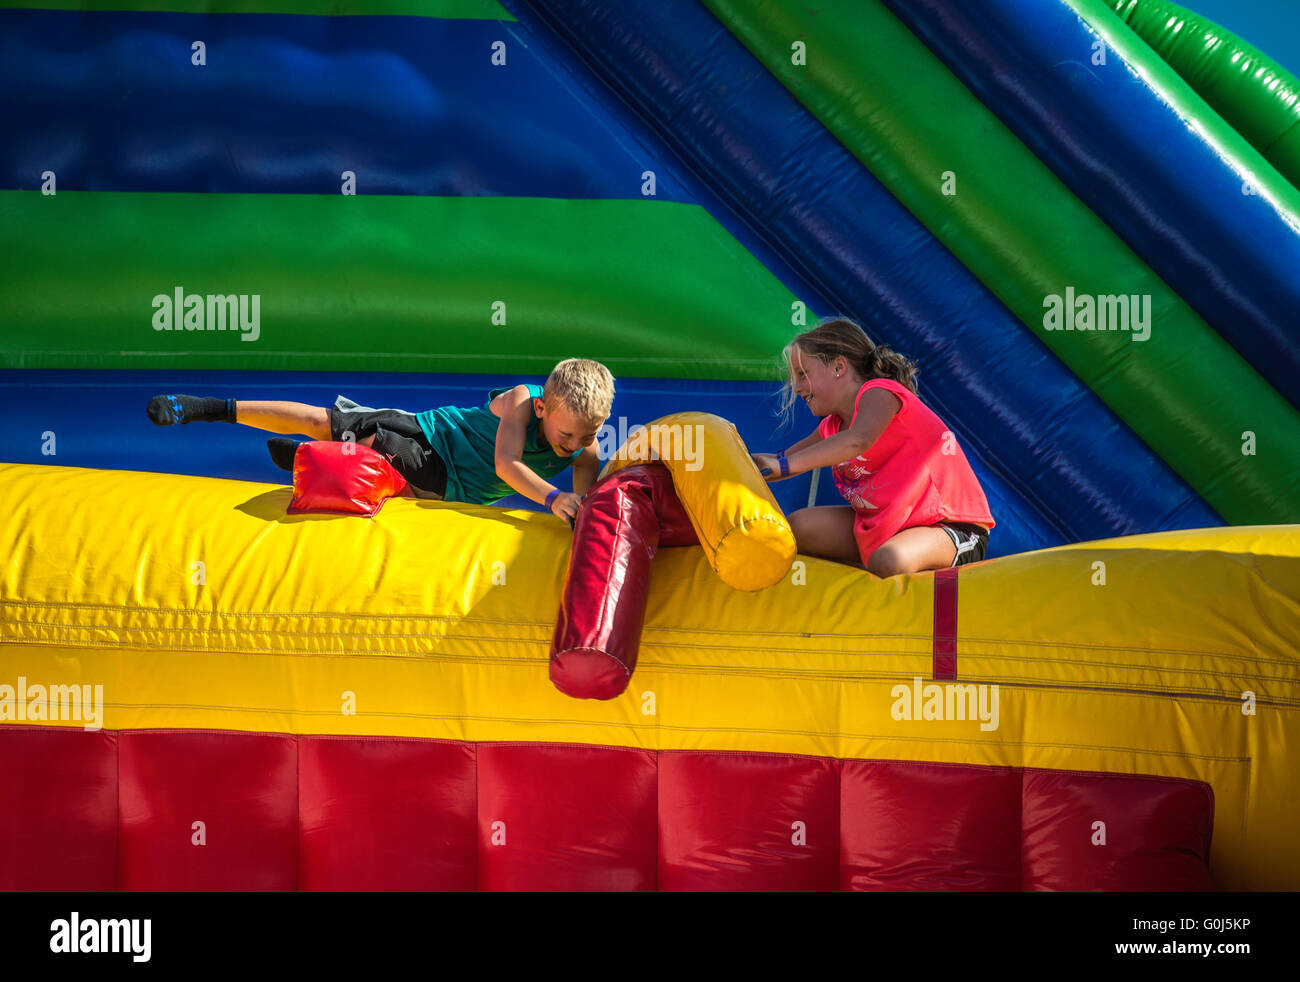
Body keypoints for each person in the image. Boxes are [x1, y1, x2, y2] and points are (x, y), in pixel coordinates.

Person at [146, 358, 614, 523]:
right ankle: (211, 408)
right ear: (542, 410)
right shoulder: (522, 401)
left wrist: (582, 511)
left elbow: (587, 505)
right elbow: (506, 464)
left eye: (589, 434)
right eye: (566, 433)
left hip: (448, 486)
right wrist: (553, 498)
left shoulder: (584, 450)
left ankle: (315, 460)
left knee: (383, 465)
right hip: (431, 431)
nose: (574, 443)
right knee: (322, 420)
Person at [751, 318, 993, 577]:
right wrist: (744, 461)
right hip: (888, 528)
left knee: (888, 560)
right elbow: (783, 459)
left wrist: (784, 465)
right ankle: (863, 582)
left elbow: (858, 440)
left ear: (838, 367)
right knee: (798, 528)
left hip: (948, 526)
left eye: (802, 374)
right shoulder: (832, 426)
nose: (797, 388)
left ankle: (879, 576)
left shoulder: (880, 393)